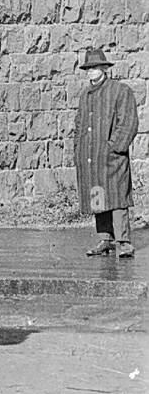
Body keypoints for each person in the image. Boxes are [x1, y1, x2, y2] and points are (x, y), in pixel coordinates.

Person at [76, 48, 139, 258]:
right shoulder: (85, 95)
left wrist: (114, 147)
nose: (91, 71)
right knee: (98, 195)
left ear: (105, 68)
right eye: (88, 68)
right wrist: (80, 150)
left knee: (117, 197)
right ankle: (106, 238)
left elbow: (128, 122)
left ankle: (124, 241)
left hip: (112, 157)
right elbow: (80, 125)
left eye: (95, 67)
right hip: (91, 156)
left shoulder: (120, 90)